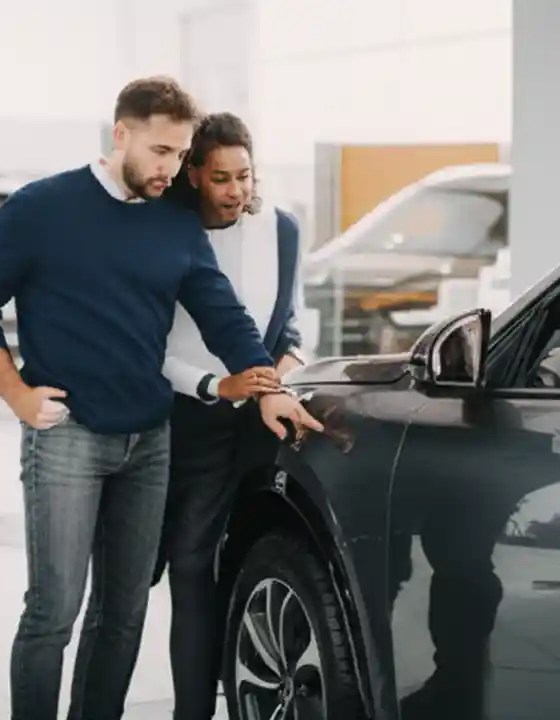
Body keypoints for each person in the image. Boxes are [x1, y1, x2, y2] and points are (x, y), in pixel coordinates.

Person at [0, 76, 323, 720]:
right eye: (160, 152)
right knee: (53, 611)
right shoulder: (41, 207)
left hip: (150, 439)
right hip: (67, 434)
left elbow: (224, 315)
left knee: (123, 614)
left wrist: (267, 388)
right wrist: (14, 392)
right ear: (120, 134)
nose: (169, 169)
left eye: (179, 155)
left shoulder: (173, 221)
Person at [154, 112, 307, 720]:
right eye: (221, 178)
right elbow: (148, 340)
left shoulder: (283, 230)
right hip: (177, 418)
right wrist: (216, 384)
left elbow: (286, 329)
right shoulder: (164, 230)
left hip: (253, 425)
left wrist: (278, 377)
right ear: (192, 175)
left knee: (231, 564)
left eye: (244, 176)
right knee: (172, 569)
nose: (236, 191)